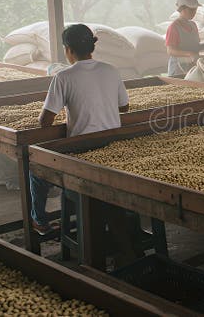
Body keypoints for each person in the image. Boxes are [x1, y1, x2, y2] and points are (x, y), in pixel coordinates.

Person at [30, 23, 130, 235]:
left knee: (35, 170)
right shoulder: (111, 70)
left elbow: (44, 121)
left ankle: (40, 221)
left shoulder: (64, 77)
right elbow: (124, 107)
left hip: (82, 151)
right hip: (115, 145)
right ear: (91, 48)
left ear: (68, 50)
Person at [164, 0, 204, 77]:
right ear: (182, 9)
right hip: (178, 70)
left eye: (195, 10)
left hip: (192, 68)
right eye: (191, 10)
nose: (193, 12)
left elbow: (193, 45)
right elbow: (170, 51)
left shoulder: (193, 25)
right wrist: (189, 54)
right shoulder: (174, 27)